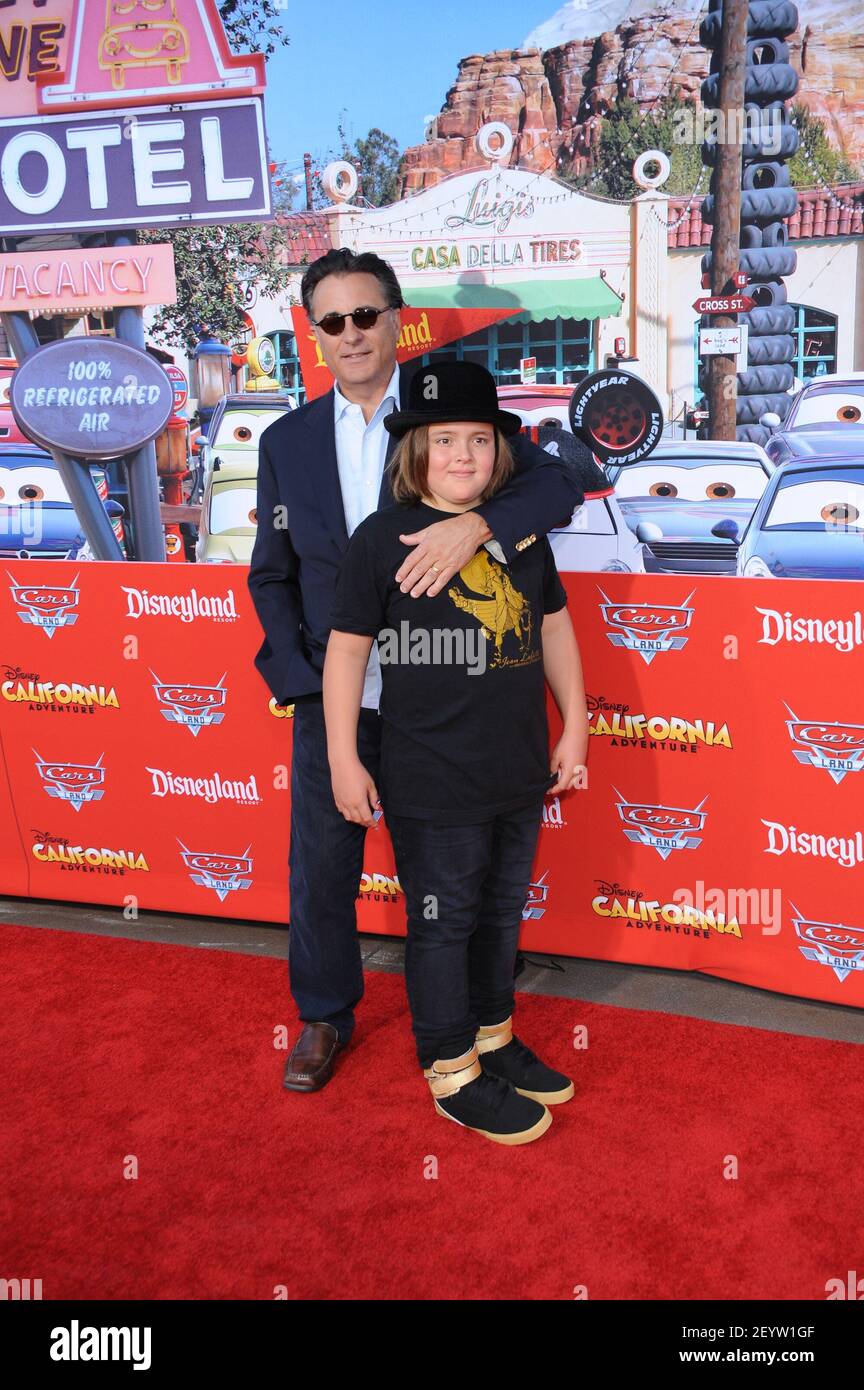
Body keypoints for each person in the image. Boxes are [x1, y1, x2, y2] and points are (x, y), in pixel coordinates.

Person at [247, 248, 584, 1094]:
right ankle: (324, 1015)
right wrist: (302, 683)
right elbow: (271, 571)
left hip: (453, 704)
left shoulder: (456, 413)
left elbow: (556, 492)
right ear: (315, 335)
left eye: (367, 315)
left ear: (398, 320)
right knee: (321, 865)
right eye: (333, 321)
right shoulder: (287, 440)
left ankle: (478, 1029)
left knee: (461, 884)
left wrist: (477, 529)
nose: (352, 333)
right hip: (342, 696)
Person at [324, 361, 589, 1144]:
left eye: (479, 439)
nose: (464, 455)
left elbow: (552, 627)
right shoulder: (380, 540)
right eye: (445, 440)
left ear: (501, 451)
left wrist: (574, 722)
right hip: (428, 778)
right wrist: (344, 756)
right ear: (415, 451)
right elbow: (344, 653)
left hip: (517, 767)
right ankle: (448, 1065)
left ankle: (493, 1036)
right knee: (443, 922)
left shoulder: (521, 532)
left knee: (502, 911)